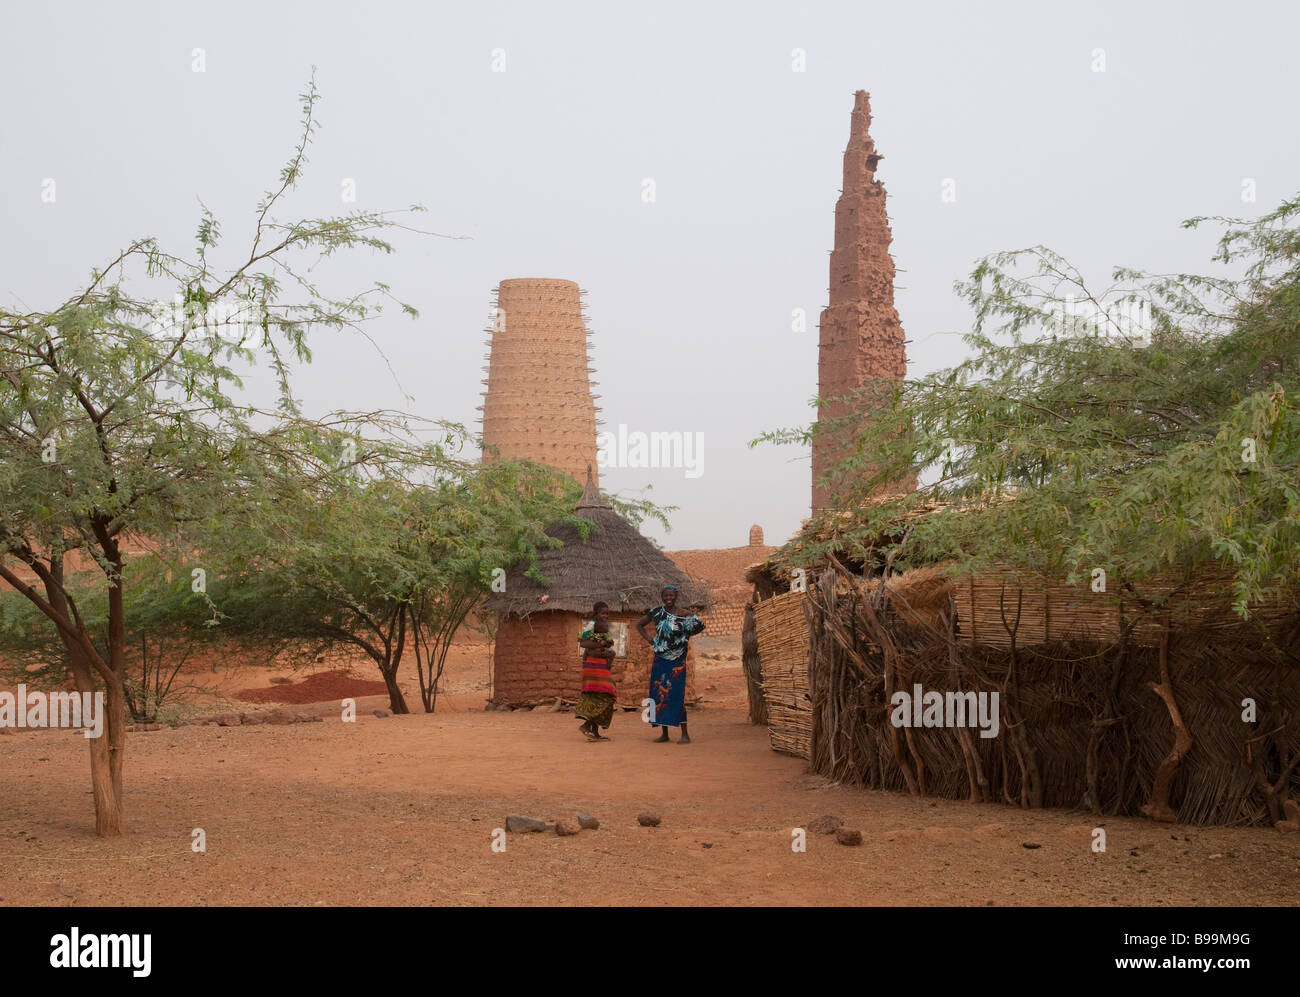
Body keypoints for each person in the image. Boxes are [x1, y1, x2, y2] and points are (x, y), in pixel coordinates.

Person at [635, 585, 705, 744]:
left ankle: (685, 734)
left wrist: (685, 634)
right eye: (665, 595)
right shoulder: (657, 612)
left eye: (671, 595)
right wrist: (649, 639)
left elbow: (700, 625)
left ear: (676, 596)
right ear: (662, 596)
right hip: (660, 659)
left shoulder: (684, 614)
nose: (668, 598)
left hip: (677, 662)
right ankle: (664, 733)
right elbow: (639, 624)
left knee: (676, 696)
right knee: (659, 694)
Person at [576, 602, 617, 741]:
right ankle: (587, 725)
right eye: (602, 613)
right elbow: (582, 643)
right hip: (593, 666)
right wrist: (601, 644)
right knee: (608, 694)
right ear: (596, 614)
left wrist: (607, 645)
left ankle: (595, 732)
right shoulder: (591, 625)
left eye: (606, 613)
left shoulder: (602, 627)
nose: (605, 616)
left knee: (598, 696)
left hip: (600, 664)